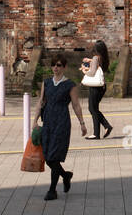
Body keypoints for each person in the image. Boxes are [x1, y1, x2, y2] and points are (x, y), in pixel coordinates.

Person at [34, 54, 87, 200]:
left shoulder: (70, 84)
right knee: (48, 157)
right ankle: (66, 175)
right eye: (53, 65)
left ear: (64, 67)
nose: (55, 68)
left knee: (54, 156)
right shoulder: (46, 83)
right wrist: (35, 121)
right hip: (48, 122)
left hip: (62, 123)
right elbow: (41, 102)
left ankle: (52, 190)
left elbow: (76, 105)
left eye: (58, 65)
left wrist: (82, 123)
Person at [81, 41, 114, 140]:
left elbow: (92, 73)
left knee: (92, 109)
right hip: (101, 87)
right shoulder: (103, 58)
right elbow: (97, 65)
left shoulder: (96, 58)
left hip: (95, 87)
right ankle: (104, 128)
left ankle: (98, 132)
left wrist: (84, 71)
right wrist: (90, 60)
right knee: (94, 108)